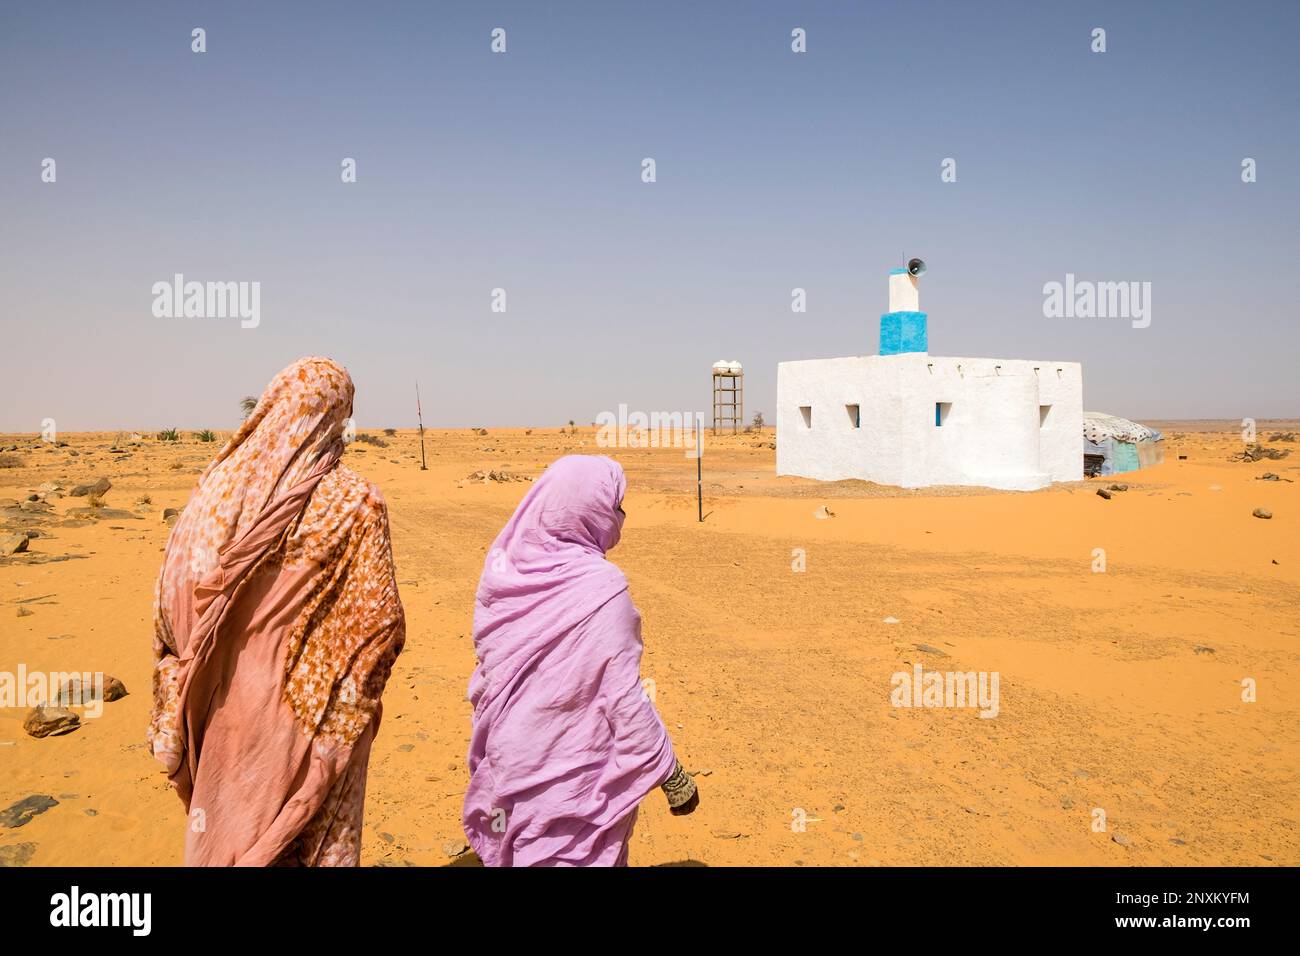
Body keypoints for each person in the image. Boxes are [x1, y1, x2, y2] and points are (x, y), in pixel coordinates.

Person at [147, 356, 405, 866]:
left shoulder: (212, 490)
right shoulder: (357, 502)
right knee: (308, 836)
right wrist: (342, 700)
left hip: (217, 705)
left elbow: (170, 601)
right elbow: (381, 623)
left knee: (226, 827)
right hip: (305, 718)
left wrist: (192, 678)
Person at [463, 454, 698, 866]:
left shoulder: (503, 575)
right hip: (577, 781)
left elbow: (490, 671)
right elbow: (624, 698)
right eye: (616, 506)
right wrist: (671, 772)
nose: (620, 517)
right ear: (591, 511)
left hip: (511, 764)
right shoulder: (601, 590)